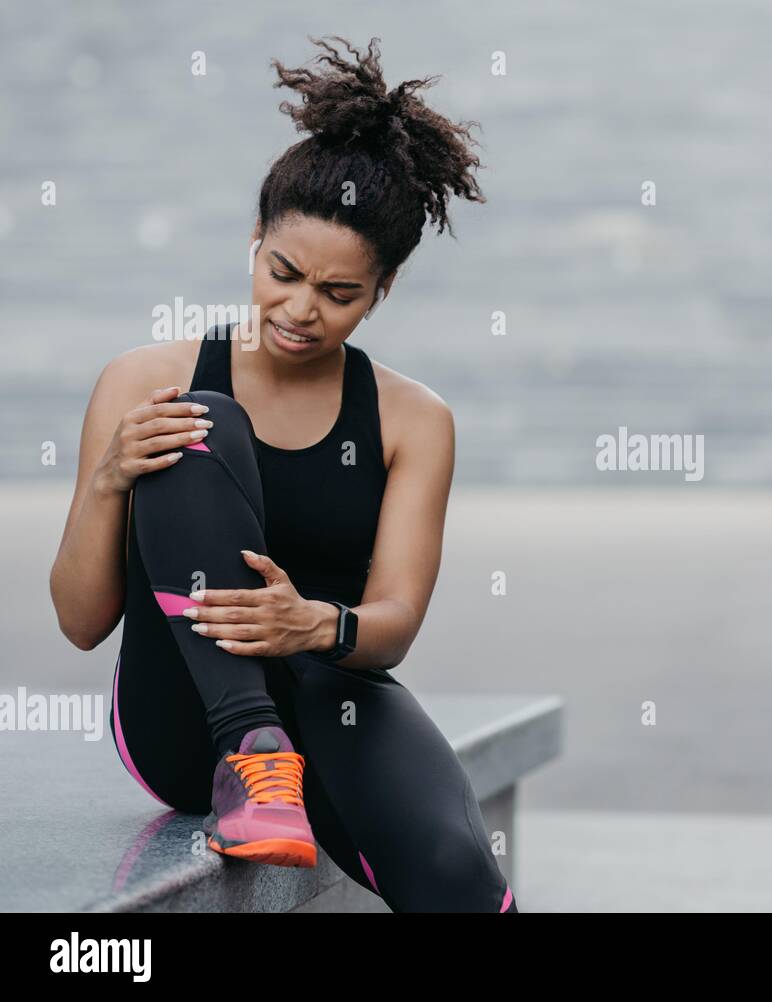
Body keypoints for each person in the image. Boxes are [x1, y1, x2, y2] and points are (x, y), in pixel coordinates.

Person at [48, 35, 517, 913]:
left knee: (459, 874)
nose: (301, 310)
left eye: (338, 294)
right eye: (283, 273)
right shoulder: (144, 380)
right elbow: (80, 623)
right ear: (255, 242)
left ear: (381, 291)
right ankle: (253, 754)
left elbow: (392, 624)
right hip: (187, 721)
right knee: (200, 420)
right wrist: (112, 478)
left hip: (326, 689)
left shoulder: (414, 420)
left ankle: (281, 756)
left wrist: (311, 622)